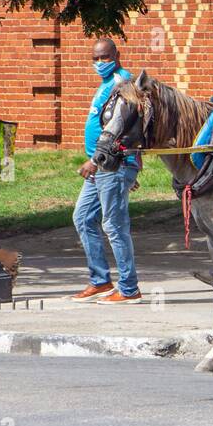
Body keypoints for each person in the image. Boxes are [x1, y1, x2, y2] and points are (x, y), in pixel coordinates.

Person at [69, 37, 143, 304]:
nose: (100, 63)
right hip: (103, 167)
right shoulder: (106, 85)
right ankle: (100, 281)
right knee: (83, 218)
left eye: (104, 57)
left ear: (116, 55)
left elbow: (121, 129)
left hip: (110, 164)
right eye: (95, 59)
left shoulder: (123, 85)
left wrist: (104, 163)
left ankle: (129, 287)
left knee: (114, 225)